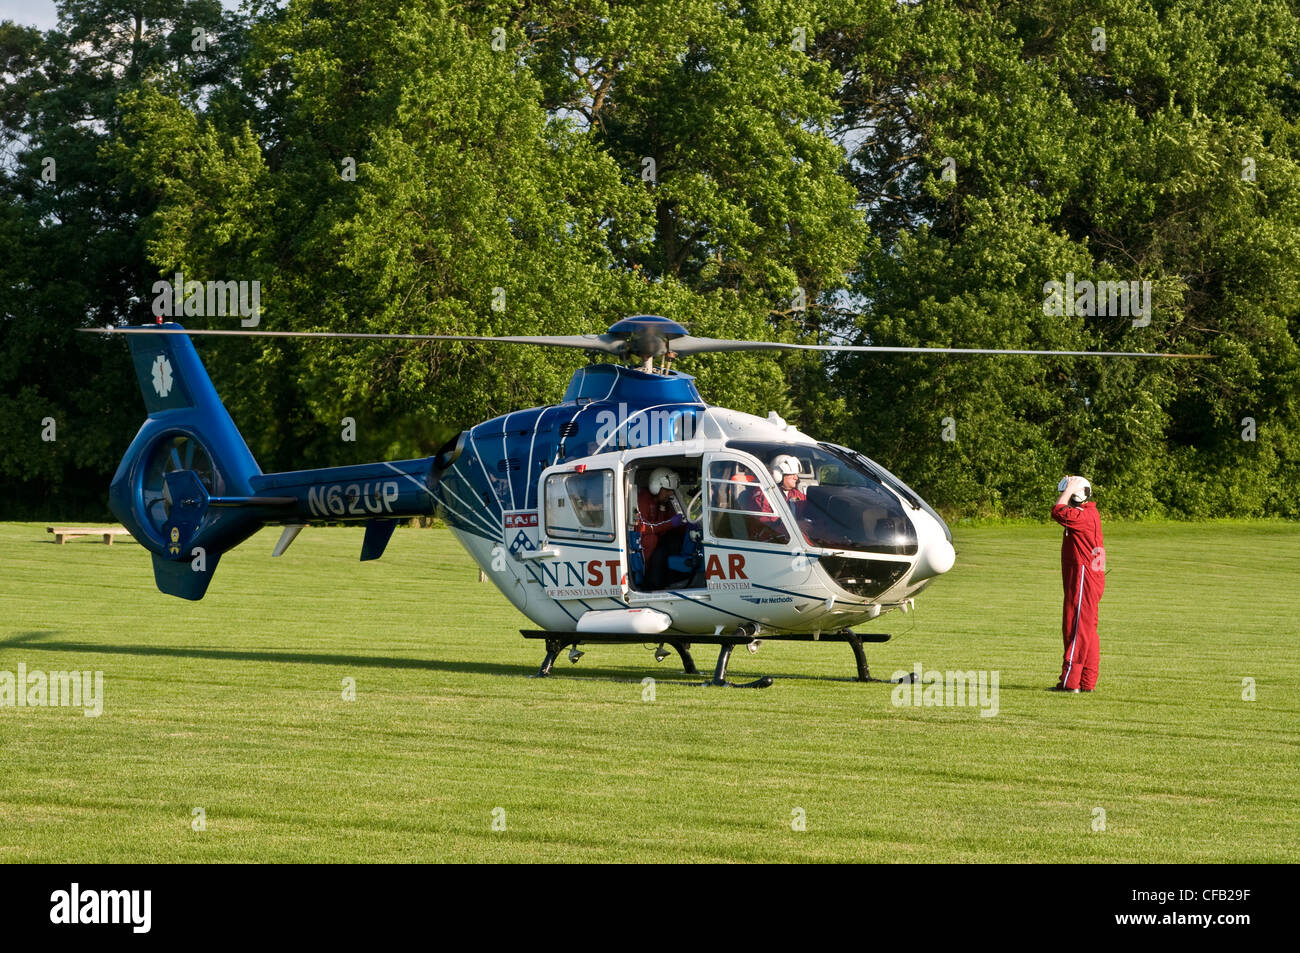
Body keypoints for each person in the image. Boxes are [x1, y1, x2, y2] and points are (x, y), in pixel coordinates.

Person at [1050, 475, 1105, 692]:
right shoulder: (1089, 512)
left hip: (1084, 578)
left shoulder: (1081, 517)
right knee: (1087, 631)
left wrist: (1068, 489)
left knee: (1076, 629)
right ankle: (1086, 682)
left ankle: (1069, 682)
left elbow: (1057, 511)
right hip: (1090, 578)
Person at [636, 467, 694, 590]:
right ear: (656, 486)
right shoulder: (644, 499)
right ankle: (651, 583)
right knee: (653, 542)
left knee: (676, 540)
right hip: (646, 543)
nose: (670, 494)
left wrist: (687, 527)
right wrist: (671, 523)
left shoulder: (662, 503)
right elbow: (642, 527)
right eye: (667, 490)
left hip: (658, 541)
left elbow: (664, 525)